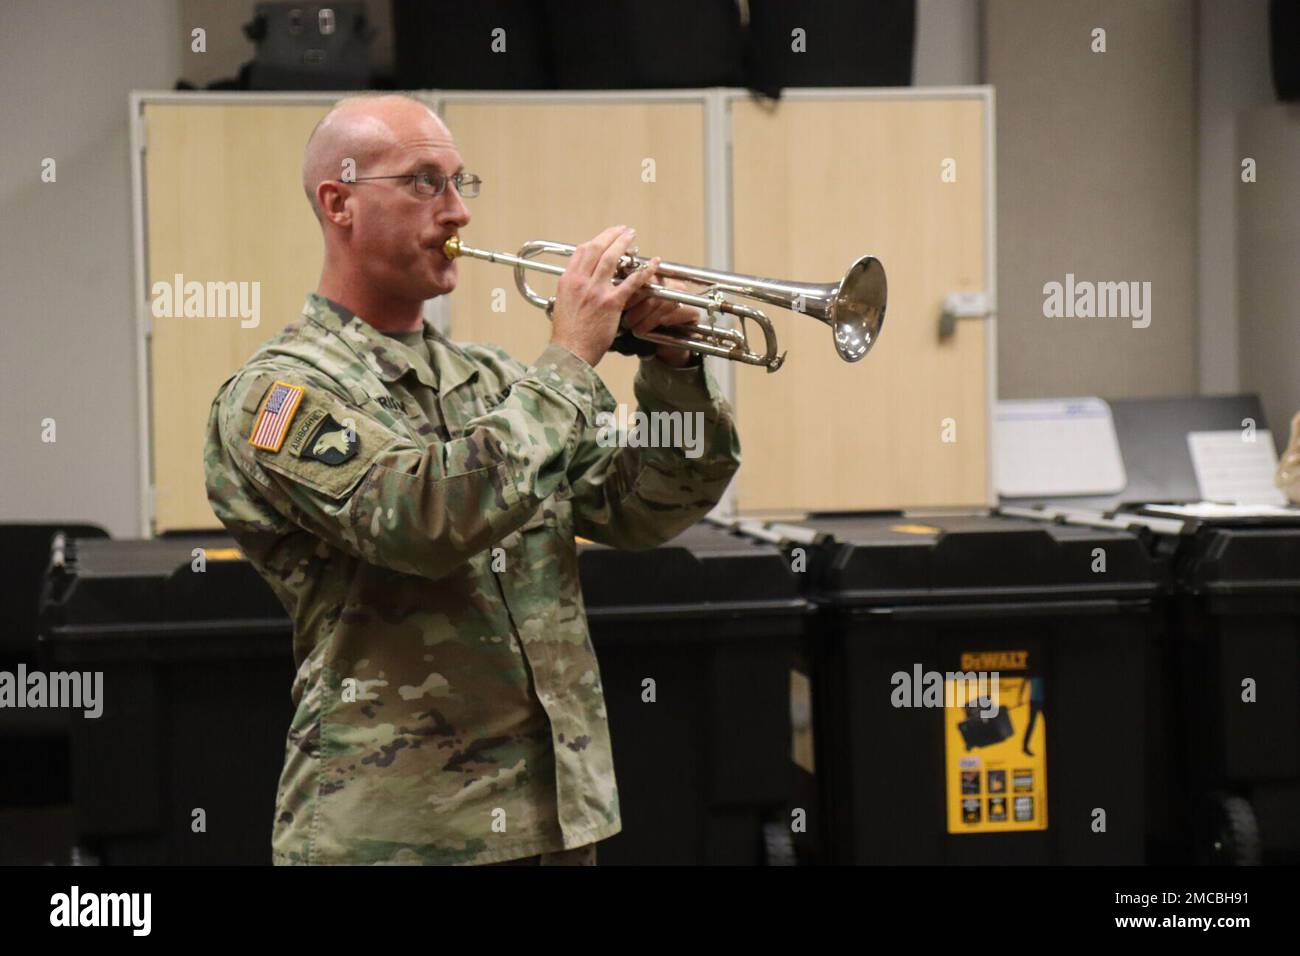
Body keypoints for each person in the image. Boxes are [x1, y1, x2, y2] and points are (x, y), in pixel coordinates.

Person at [202, 94, 741, 865]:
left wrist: (674, 364)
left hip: (554, 821)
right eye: (425, 182)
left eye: (461, 184)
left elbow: (645, 508)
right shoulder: (280, 394)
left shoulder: (494, 380)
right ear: (340, 202)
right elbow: (424, 520)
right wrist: (569, 362)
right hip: (399, 836)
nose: (456, 212)